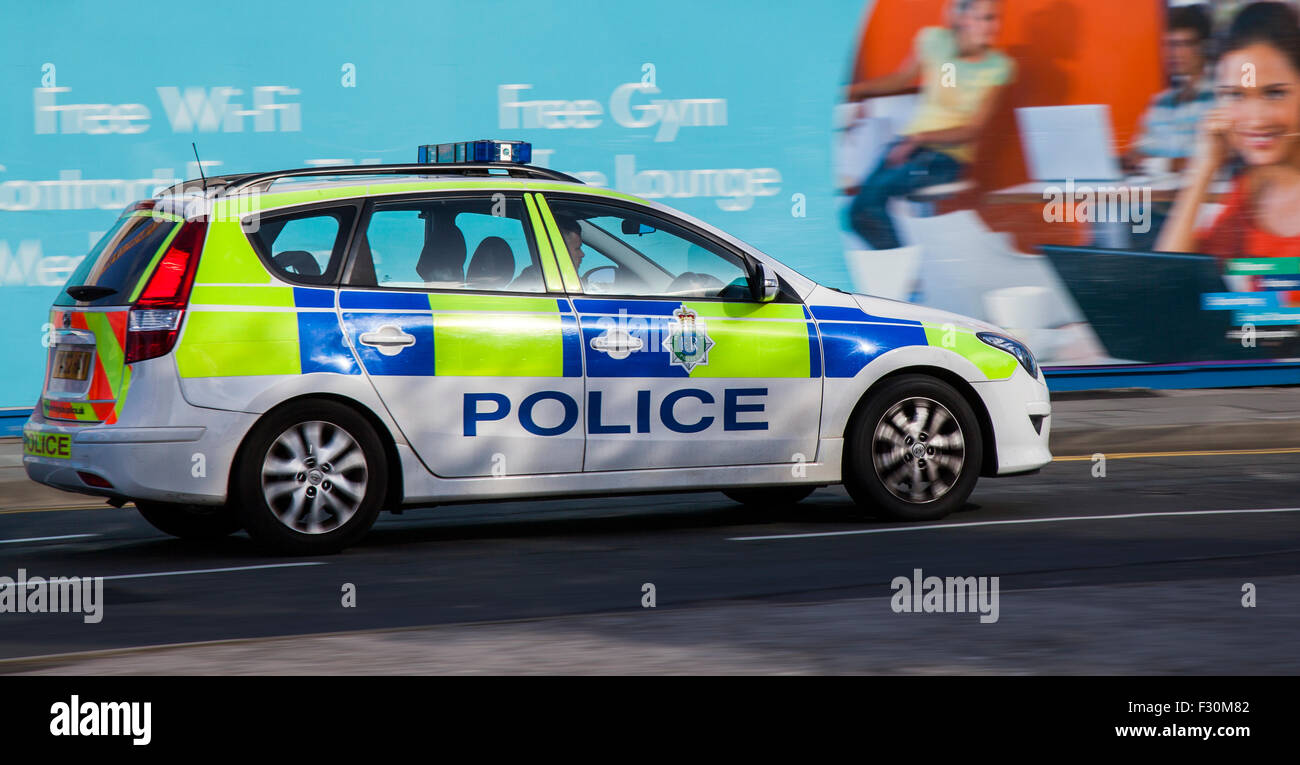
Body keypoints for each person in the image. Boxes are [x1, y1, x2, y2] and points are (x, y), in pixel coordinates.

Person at [844, 0, 1015, 250]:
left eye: (995, 18)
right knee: (856, 212)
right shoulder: (934, 41)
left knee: (870, 203)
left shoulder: (998, 67)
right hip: (907, 145)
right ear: (962, 19)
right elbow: (900, 79)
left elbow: (972, 130)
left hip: (946, 158)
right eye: (985, 18)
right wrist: (854, 92)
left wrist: (918, 139)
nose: (994, 26)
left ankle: (909, 275)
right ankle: (907, 272)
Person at [1157, 2, 1300, 259]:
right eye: (1235, 95)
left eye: (1274, 93)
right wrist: (1203, 167)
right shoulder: (1246, 192)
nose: (1255, 120)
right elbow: (1168, 280)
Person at [1123, 4, 1217, 175]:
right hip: (1157, 194)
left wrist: (1158, 164)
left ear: (1204, 47)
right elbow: (1137, 153)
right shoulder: (1160, 103)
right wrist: (1133, 159)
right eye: (1170, 45)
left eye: (1183, 44)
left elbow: (1213, 160)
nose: (1174, 53)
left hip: (1204, 197)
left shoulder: (1221, 97)